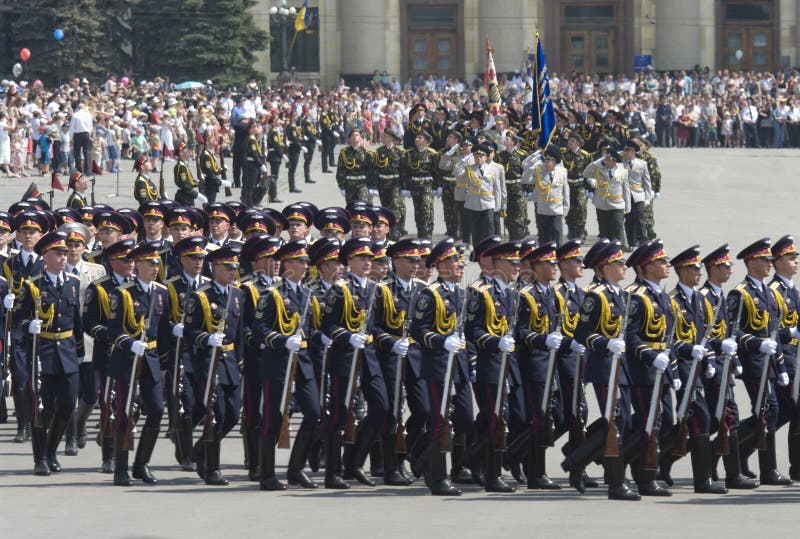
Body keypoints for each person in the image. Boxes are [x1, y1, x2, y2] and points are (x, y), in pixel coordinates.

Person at [562, 239, 640, 500]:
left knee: (623, 421)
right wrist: (607, 343)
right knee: (615, 423)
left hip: (623, 367)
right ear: (603, 268)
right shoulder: (595, 296)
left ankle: (576, 459)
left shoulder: (622, 294)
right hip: (605, 367)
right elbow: (582, 332)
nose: (623, 267)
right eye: (618, 263)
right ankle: (616, 482)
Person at [250, 239, 321, 490]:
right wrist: (281, 340)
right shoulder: (272, 295)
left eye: (305, 262)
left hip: (303, 363)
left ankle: (295, 469)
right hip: (278, 362)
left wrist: (319, 337)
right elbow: (258, 329)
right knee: (273, 417)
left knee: (314, 413)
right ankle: (267, 474)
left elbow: (311, 329)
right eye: (300, 262)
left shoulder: (307, 293)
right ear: (287, 264)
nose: (304, 266)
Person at [409, 237, 473, 495]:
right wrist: (441, 341)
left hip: (459, 366)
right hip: (438, 366)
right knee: (439, 421)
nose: (460, 265)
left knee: (465, 419)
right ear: (441, 264)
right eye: (455, 260)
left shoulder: (461, 294)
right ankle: (438, 478)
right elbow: (418, 329)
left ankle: (424, 461)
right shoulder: (430, 294)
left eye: (460, 260)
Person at [106, 241, 173, 486]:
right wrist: (128, 343)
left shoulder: (162, 292)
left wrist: (164, 362)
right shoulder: (122, 293)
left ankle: (141, 463)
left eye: (157, 263)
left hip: (152, 359)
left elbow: (164, 331)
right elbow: (112, 330)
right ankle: (120, 468)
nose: (156, 267)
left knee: (156, 409)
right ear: (139, 265)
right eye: (150, 263)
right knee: (125, 412)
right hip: (127, 359)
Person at [728, 238, 793, 486]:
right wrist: (756, 345)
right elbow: (733, 331)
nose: (769, 264)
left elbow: (773, 333)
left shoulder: (769, 293)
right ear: (752, 262)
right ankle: (767, 469)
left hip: (770, 363)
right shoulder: (740, 293)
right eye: (765, 260)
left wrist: (779, 362)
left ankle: (743, 455)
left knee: (770, 412)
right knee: (768, 411)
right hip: (753, 363)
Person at [320, 237, 383, 489]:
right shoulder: (339, 289)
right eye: (362, 258)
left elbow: (376, 324)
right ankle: (332, 472)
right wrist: (347, 336)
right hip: (345, 356)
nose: (368, 262)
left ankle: (354, 462)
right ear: (349, 262)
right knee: (339, 414)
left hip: (368, 356)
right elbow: (328, 325)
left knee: (381, 408)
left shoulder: (374, 289)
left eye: (370, 258)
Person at [698, 243, 759, 489]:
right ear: (713, 268)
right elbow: (700, 334)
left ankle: (726, 470)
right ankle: (729, 473)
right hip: (710, 367)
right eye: (725, 266)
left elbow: (726, 332)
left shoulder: (719, 296)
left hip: (724, 367)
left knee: (726, 418)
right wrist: (717, 355)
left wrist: (732, 359)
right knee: (721, 418)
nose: (730, 270)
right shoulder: (704, 297)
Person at [183, 245, 245, 486]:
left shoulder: (237, 295)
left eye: (235, 268)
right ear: (215, 267)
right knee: (215, 416)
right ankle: (212, 468)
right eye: (228, 267)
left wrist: (240, 362)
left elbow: (239, 333)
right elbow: (189, 331)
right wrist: (206, 338)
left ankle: (200, 450)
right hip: (209, 363)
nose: (233, 272)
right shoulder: (201, 296)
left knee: (232, 414)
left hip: (230, 362)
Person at [621, 240, 679, 496]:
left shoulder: (662, 295)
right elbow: (630, 336)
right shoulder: (635, 295)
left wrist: (672, 372)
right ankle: (644, 476)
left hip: (661, 370)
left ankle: (624, 458)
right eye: (661, 261)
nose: (667, 265)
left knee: (666, 421)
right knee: (650, 423)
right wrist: (650, 356)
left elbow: (669, 338)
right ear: (646, 266)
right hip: (644, 372)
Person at [464, 241, 521, 493]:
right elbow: (473, 331)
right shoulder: (481, 292)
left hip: (505, 366)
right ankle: (490, 474)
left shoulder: (510, 292)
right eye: (512, 263)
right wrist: (495, 342)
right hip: (488, 366)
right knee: (495, 421)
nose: (517, 268)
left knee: (498, 419)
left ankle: (474, 464)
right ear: (498, 265)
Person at [370, 238, 427, 485]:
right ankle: (391, 468)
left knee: (423, 410)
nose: (415, 265)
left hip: (417, 357)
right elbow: (372, 325)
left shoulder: (423, 289)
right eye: (410, 260)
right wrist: (389, 341)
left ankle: (407, 452)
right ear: (396, 261)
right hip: (390, 358)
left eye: (417, 260)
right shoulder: (382, 290)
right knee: (391, 414)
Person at [237, 234, 282, 481]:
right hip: (257, 358)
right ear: (256, 262)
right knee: (254, 410)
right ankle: (254, 461)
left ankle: (268, 460)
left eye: (277, 258)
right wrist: (259, 341)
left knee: (276, 410)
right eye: (269, 258)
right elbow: (241, 326)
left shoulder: (284, 286)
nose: (276, 263)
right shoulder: (247, 289)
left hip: (282, 358)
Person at [163, 236, 210, 472]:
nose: (198, 261)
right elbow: (163, 321)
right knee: (186, 405)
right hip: (180, 354)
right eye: (193, 258)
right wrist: (173, 327)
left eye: (201, 257)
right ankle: (186, 454)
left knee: (204, 405)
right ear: (182, 259)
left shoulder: (209, 285)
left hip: (203, 353)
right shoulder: (171, 286)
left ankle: (188, 440)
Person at [60, 222, 105, 456]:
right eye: (69, 244)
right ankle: (70, 436)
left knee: (91, 394)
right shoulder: (57, 270)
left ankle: (80, 422)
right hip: (66, 338)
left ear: (84, 247)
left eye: (77, 244)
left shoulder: (97, 271)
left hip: (89, 339)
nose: (73, 249)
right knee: (69, 393)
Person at [766, 235, 800, 481]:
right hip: (784, 359)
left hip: (796, 357)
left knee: (793, 413)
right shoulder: (774, 291)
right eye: (791, 257)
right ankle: (746, 444)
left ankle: (797, 466)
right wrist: (791, 332)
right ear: (777, 262)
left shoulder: (791, 290)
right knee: (782, 412)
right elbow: (769, 331)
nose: (796, 261)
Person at [582, 147, 630, 248]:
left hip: (617, 203)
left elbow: (626, 190)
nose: (606, 161)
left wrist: (627, 206)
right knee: (604, 230)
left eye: (608, 160)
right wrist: (597, 161)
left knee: (617, 228)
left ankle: (618, 249)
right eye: (605, 159)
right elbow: (585, 173)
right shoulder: (598, 169)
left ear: (614, 161)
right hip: (602, 203)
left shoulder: (623, 171)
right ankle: (606, 251)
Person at [455, 144, 499, 247]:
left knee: (489, 227)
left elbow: (497, 188)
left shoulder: (493, 169)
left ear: (486, 157)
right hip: (473, 202)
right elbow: (456, 173)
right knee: (475, 229)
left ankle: (489, 249)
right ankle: (477, 250)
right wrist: (463, 161)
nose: (478, 158)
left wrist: (498, 204)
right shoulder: (469, 168)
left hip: (488, 202)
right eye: (476, 156)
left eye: (481, 156)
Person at [400, 130, 439, 239]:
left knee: (427, 210)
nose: (417, 139)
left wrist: (437, 187)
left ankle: (427, 235)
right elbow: (405, 172)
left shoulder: (432, 154)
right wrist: (405, 187)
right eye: (416, 137)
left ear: (426, 141)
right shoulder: (409, 154)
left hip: (427, 185)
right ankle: (421, 233)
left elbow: (436, 172)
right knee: (418, 212)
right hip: (414, 185)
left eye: (420, 137)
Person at [527, 146, 569, 245]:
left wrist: (565, 210)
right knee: (544, 237)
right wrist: (531, 165)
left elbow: (566, 192)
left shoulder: (562, 172)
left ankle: (557, 256)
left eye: (549, 161)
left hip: (557, 210)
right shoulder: (539, 172)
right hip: (543, 210)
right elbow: (525, 179)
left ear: (555, 162)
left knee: (557, 236)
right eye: (545, 160)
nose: (546, 163)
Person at [372, 129, 407, 239]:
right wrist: (374, 185)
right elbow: (375, 169)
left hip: (395, 183)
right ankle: (388, 230)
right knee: (386, 207)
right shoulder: (379, 151)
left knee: (395, 206)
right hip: (383, 183)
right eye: (383, 136)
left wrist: (405, 186)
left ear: (391, 138)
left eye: (385, 136)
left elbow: (404, 170)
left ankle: (395, 230)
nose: (383, 138)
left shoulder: (400, 152)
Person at [496, 132, 529, 241]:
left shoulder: (522, 154)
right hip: (505, 187)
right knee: (508, 216)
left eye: (507, 138)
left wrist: (528, 189)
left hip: (518, 187)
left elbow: (527, 172)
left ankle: (518, 239)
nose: (505, 140)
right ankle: (512, 238)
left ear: (513, 142)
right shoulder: (500, 156)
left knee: (519, 215)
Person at [621, 143, 652, 249]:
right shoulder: (620, 163)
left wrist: (648, 197)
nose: (625, 153)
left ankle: (643, 239)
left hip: (638, 194)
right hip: (625, 195)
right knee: (628, 219)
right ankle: (631, 241)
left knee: (640, 217)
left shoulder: (642, 164)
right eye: (625, 151)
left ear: (633, 153)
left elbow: (646, 181)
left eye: (628, 151)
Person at [336, 128, 373, 205]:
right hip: (349, 184)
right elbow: (340, 170)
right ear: (349, 139)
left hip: (363, 184)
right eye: (352, 135)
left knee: (363, 206)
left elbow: (371, 170)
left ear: (360, 138)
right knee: (351, 208)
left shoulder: (367, 153)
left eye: (357, 135)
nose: (355, 137)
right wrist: (341, 186)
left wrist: (372, 186)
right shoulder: (344, 152)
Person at [438, 130, 462, 239]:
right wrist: (438, 185)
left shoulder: (461, 152)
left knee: (458, 209)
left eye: (451, 137)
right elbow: (439, 169)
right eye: (448, 137)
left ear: (456, 140)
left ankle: (459, 232)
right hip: (447, 183)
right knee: (447, 210)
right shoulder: (444, 151)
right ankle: (450, 231)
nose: (448, 139)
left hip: (458, 183)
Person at [199, 132, 231, 206]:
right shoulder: (206, 155)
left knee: (211, 204)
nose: (214, 141)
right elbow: (210, 173)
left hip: (211, 183)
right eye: (212, 139)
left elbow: (214, 170)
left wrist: (223, 170)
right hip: (210, 183)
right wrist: (220, 182)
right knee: (210, 205)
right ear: (207, 142)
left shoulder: (209, 153)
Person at [242, 119, 267, 208]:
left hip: (253, 164)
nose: (257, 128)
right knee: (250, 186)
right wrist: (261, 165)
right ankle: (249, 205)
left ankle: (250, 202)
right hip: (252, 165)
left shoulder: (253, 138)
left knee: (253, 185)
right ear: (250, 129)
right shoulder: (251, 139)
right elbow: (254, 154)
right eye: (255, 126)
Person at [173, 142, 205, 207]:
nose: (188, 150)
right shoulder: (181, 167)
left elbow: (187, 182)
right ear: (181, 153)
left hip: (186, 198)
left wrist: (196, 182)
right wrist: (197, 195)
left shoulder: (183, 165)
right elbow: (185, 186)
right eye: (186, 149)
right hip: (185, 199)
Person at [265, 116, 286, 203]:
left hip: (274, 155)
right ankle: (273, 197)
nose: (278, 121)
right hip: (274, 156)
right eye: (276, 120)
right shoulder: (273, 132)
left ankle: (272, 195)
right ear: (273, 122)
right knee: (274, 176)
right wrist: (282, 155)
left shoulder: (275, 131)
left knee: (274, 176)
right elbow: (276, 145)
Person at [299, 113, 319, 185]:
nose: (310, 113)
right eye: (308, 111)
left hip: (311, 142)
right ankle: (307, 177)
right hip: (309, 143)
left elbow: (312, 131)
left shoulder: (309, 121)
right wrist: (315, 140)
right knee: (308, 161)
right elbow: (309, 133)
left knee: (308, 161)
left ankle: (307, 177)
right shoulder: (306, 122)